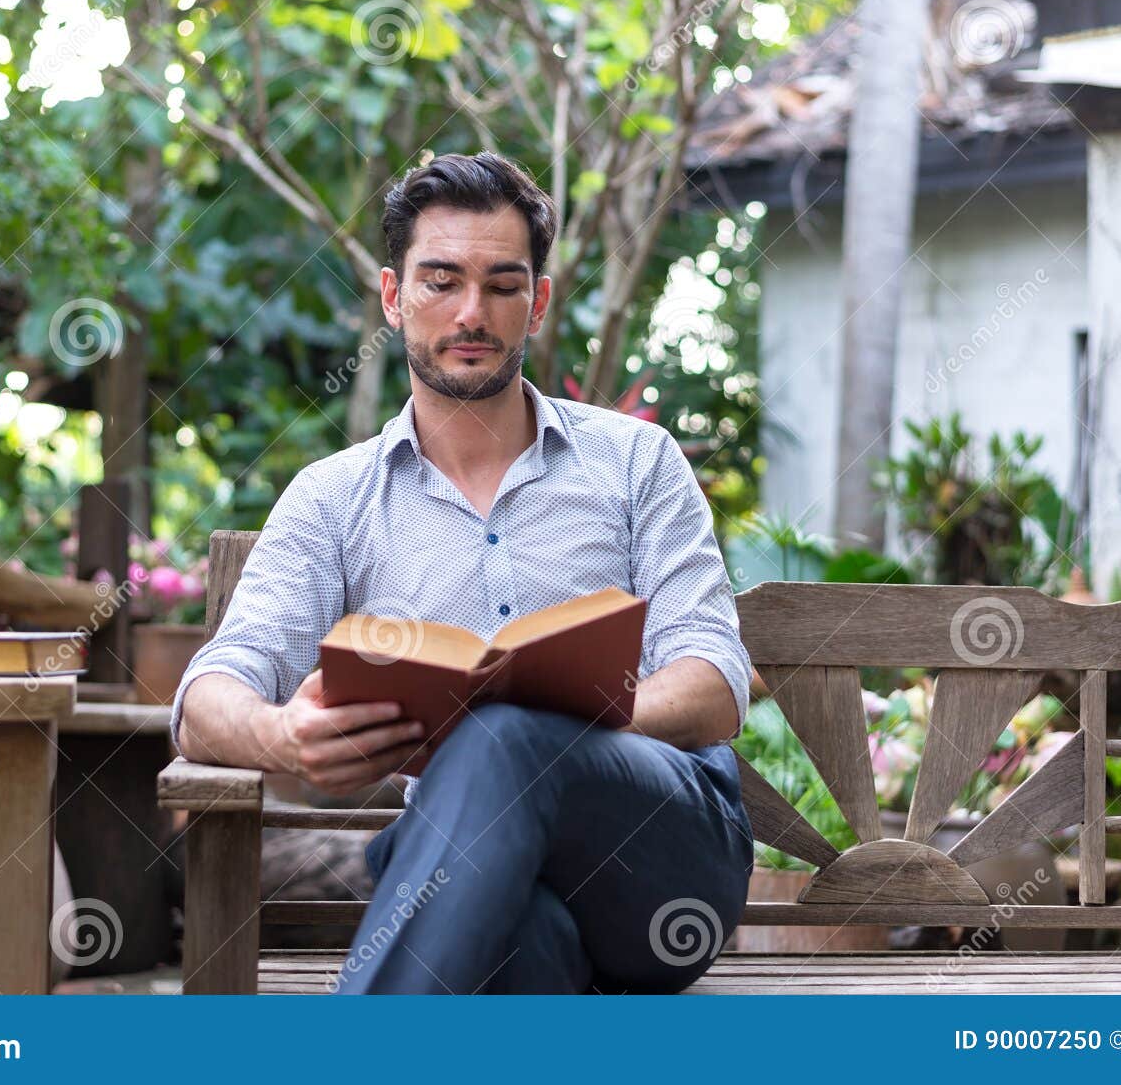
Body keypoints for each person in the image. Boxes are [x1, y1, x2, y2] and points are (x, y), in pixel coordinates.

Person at [171, 151, 753, 993]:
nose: (471, 312)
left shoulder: (635, 463)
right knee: (525, 945)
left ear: (539, 302)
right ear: (392, 295)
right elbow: (207, 697)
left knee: (503, 732)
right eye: (440, 280)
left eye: (503, 285)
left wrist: (550, 727)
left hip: (659, 863)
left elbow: (713, 682)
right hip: (475, 889)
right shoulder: (334, 500)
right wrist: (281, 738)